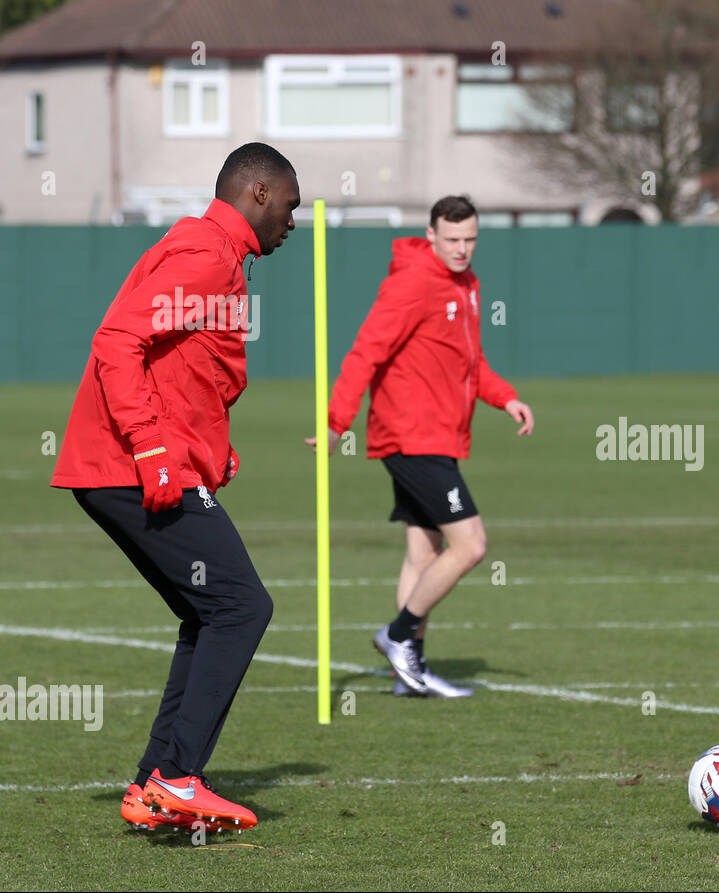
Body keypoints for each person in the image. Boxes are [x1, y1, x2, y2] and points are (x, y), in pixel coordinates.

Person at [51, 142, 300, 832]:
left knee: (210, 611)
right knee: (242, 606)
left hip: (133, 465)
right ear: (257, 193)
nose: (292, 220)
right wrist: (155, 450)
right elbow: (116, 343)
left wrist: (206, 451)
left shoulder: (212, 252)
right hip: (132, 467)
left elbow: (185, 369)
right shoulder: (207, 255)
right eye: (290, 204)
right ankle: (179, 777)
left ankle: (149, 785)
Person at [310, 195, 533, 698]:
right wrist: (335, 421)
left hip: (437, 436)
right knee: (471, 545)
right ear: (430, 235)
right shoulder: (412, 282)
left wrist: (506, 398)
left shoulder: (467, 283)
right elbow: (365, 351)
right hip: (412, 437)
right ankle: (397, 634)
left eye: (470, 239)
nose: (461, 249)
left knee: (422, 551)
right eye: (452, 239)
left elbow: (469, 365)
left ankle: (409, 673)